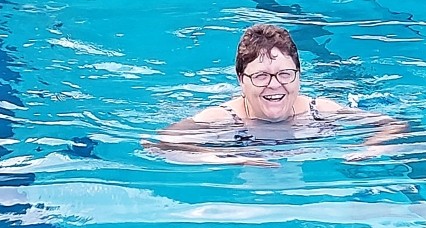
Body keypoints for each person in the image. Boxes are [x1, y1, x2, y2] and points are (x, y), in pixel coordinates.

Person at [146, 24, 407, 166]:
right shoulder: (224, 117)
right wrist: (232, 158)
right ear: (241, 80)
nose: (275, 85)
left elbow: (393, 124)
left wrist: (369, 148)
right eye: (261, 76)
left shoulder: (318, 111)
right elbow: (159, 144)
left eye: (285, 74)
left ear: (299, 75)